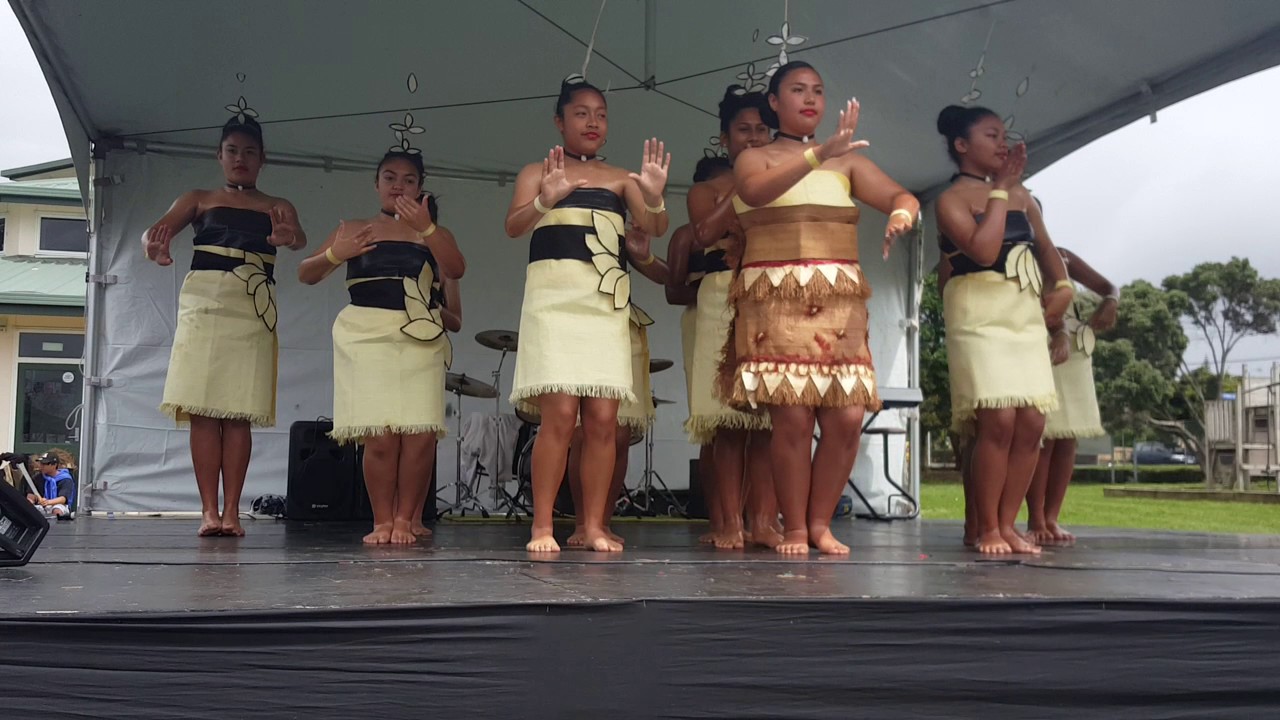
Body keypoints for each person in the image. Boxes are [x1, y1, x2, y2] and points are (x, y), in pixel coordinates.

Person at [725, 62, 919, 555]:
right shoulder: (756, 157)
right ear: (774, 102)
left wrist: (900, 214)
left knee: (848, 418)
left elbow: (903, 194)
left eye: (817, 91)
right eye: (797, 90)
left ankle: (818, 523)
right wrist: (816, 154)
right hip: (777, 301)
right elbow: (753, 192)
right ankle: (793, 529)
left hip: (839, 304)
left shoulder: (847, 161)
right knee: (793, 420)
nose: (810, 99)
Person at [505, 76, 671, 553]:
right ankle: (541, 525)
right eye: (581, 112)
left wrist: (654, 195)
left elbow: (654, 227)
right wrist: (545, 199)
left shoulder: (622, 178)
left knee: (603, 420)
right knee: (558, 416)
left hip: (604, 307)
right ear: (559, 122)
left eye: (600, 113)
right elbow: (514, 226)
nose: (593, 121)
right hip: (554, 304)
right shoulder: (535, 171)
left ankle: (593, 524)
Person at [145, 115, 307, 537]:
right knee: (201, 410)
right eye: (233, 151)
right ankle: (207, 511)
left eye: (250, 152)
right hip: (204, 304)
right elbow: (155, 232)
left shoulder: (278, 205)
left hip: (252, 308)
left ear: (262, 159)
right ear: (219, 156)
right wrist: (154, 246)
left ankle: (232, 511)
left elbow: (299, 239)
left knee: (238, 413)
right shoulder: (198, 197)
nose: (241, 159)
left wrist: (287, 237)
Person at [299, 152, 465, 545]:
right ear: (376, 184)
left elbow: (455, 270)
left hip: (420, 336)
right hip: (366, 334)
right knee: (381, 435)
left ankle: (406, 519)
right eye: (389, 177)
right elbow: (307, 273)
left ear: (420, 186)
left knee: (419, 433)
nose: (398, 185)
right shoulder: (354, 227)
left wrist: (427, 230)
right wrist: (337, 253)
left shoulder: (435, 233)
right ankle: (382, 520)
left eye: (408, 180)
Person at [934, 104, 1073, 555]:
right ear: (962, 146)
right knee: (997, 418)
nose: (1002, 144)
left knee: (1032, 420)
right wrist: (999, 192)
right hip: (977, 308)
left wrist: (1066, 289)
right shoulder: (950, 200)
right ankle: (987, 527)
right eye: (991, 136)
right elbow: (983, 247)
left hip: (1022, 312)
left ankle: (1008, 524)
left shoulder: (1025, 197)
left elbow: (1049, 253)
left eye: (1004, 136)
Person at [687, 88, 780, 549]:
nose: (755, 136)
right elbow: (704, 230)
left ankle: (763, 520)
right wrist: (741, 187)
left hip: (769, 295)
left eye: (762, 129)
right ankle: (727, 523)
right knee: (727, 419)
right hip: (721, 296)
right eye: (744, 129)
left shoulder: (783, 177)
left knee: (767, 418)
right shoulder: (706, 189)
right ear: (724, 138)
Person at [565, 227, 670, 547]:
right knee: (584, 432)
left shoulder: (619, 229)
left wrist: (643, 255)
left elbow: (665, 276)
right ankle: (583, 522)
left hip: (621, 326)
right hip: (577, 322)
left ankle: (602, 522)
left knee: (620, 434)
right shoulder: (565, 218)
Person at [1027, 247, 1117, 544]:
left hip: (1076, 345)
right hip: (1036, 338)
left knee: (1068, 436)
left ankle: (1052, 518)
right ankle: (1036, 518)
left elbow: (1107, 287)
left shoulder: (1060, 254)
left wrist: (1111, 300)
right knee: (1045, 433)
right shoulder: (1013, 255)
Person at [26, 451, 76, 518]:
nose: (42, 466)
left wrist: (48, 502)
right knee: (32, 510)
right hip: (42, 506)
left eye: (45, 464)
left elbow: (63, 499)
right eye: (41, 463)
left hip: (59, 505)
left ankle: (57, 527)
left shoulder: (65, 479)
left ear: (54, 465)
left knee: (57, 510)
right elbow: (31, 495)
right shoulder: (38, 478)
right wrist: (30, 503)